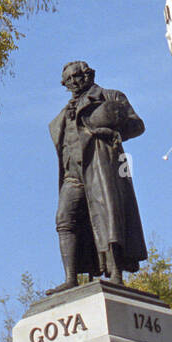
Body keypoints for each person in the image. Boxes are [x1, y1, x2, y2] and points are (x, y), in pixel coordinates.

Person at [47, 60, 147, 293]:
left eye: (77, 76)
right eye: (68, 80)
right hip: (72, 173)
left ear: (89, 75)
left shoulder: (110, 97)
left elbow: (137, 125)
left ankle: (115, 274)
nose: (73, 82)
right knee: (64, 219)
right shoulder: (63, 114)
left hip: (99, 165)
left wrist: (111, 131)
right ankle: (71, 278)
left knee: (106, 216)